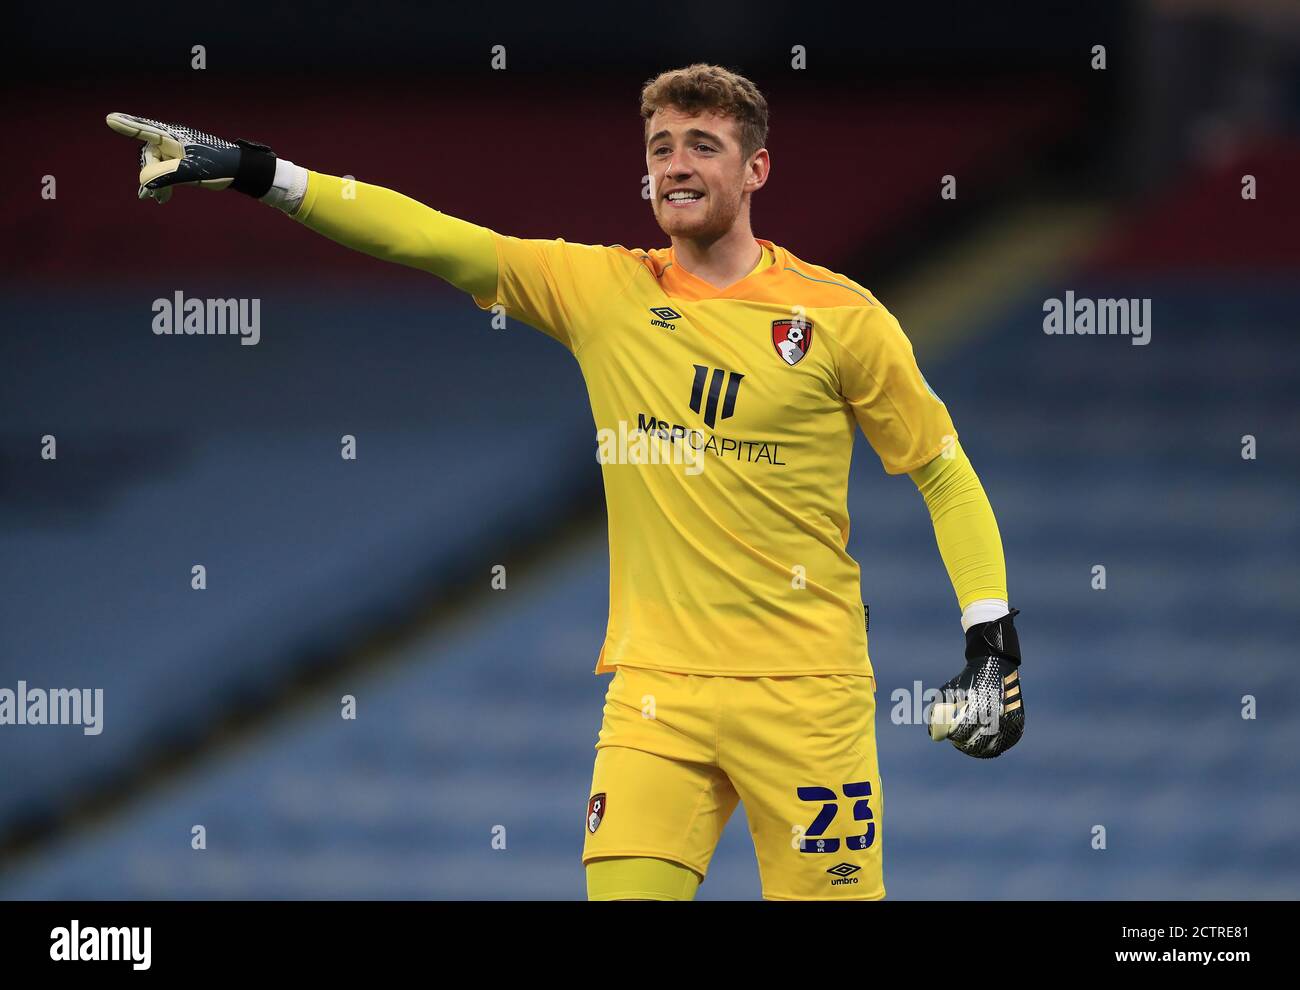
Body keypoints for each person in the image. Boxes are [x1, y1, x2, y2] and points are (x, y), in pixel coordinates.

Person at [107, 62, 1024, 901]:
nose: (675, 163)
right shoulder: (602, 292)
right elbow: (433, 239)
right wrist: (259, 170)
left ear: (757, 172)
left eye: (703, 145)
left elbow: (945, 476)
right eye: (660, 146)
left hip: (808, 691)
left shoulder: (842, 318)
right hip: (654, 695)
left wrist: (992, 644)